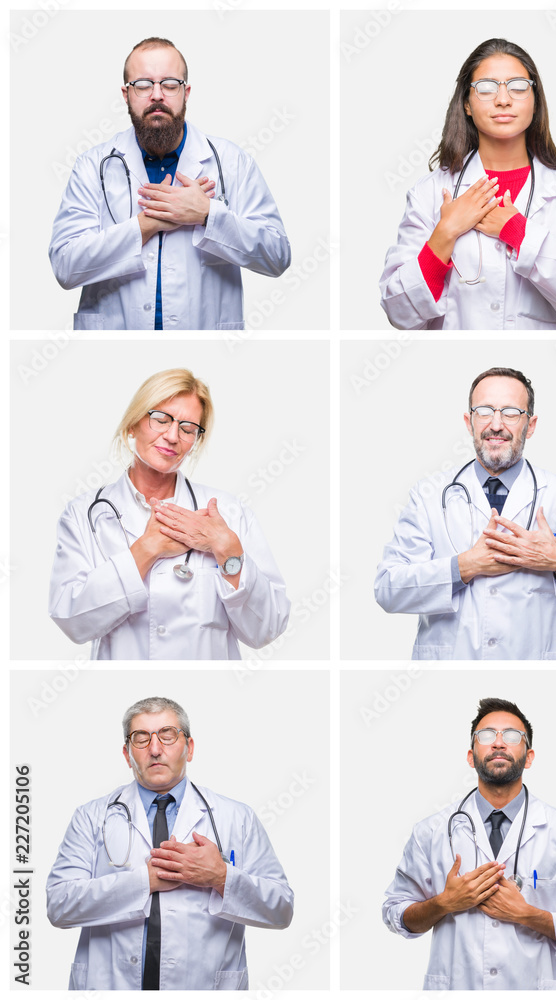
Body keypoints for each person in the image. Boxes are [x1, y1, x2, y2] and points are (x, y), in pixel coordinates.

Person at [374, 367, 556, 658]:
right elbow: (388, 590)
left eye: (510, 412)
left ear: (530, 425)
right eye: (484, 411)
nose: (496, 424)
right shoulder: (428, 495)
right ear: (469, 422)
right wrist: (465, 567)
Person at [47, 696, 293, 990]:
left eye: (167, 735)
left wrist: (220, 877)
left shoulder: (237, 817)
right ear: (127, 754)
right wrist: (144, 882)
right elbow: (58, 906)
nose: (154, 749)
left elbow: (281, 910)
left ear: (189, 748)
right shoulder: (91, 816)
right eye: (141, 739)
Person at [49, 37, 290, 330]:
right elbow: (65, 266)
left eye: (170, 84)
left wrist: (207, 215)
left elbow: (277, 256)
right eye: (143, 84)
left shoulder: (232, 162)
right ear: (126, 95)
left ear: (186, 92)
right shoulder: (92, 166)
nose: (157, 95)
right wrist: (147, 224)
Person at [379, 38, 556, 330]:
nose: (503, 99)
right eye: (486, 88)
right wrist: (445, 233)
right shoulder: (429, 193)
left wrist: (517, 232)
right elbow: (398, 311)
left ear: (535, 101)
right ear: (466, 104)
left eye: (518, 87)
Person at [49, 368, 290, 659]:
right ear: (132, 424)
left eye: (188, 428)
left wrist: (228, 550)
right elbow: (73, 622)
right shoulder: (83, 514)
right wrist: (146, 549)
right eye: (161, 419)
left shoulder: (229, 513)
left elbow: (267, 629)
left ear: (195, 441)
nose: (173, 435)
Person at [383, 697, 556, 989]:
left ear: (529, 756)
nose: (498, 743)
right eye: (486, 735)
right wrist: (444, 903)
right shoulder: (431, 831)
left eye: (511, 736)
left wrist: (530, 915)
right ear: (471, 756)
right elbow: (395, 914)